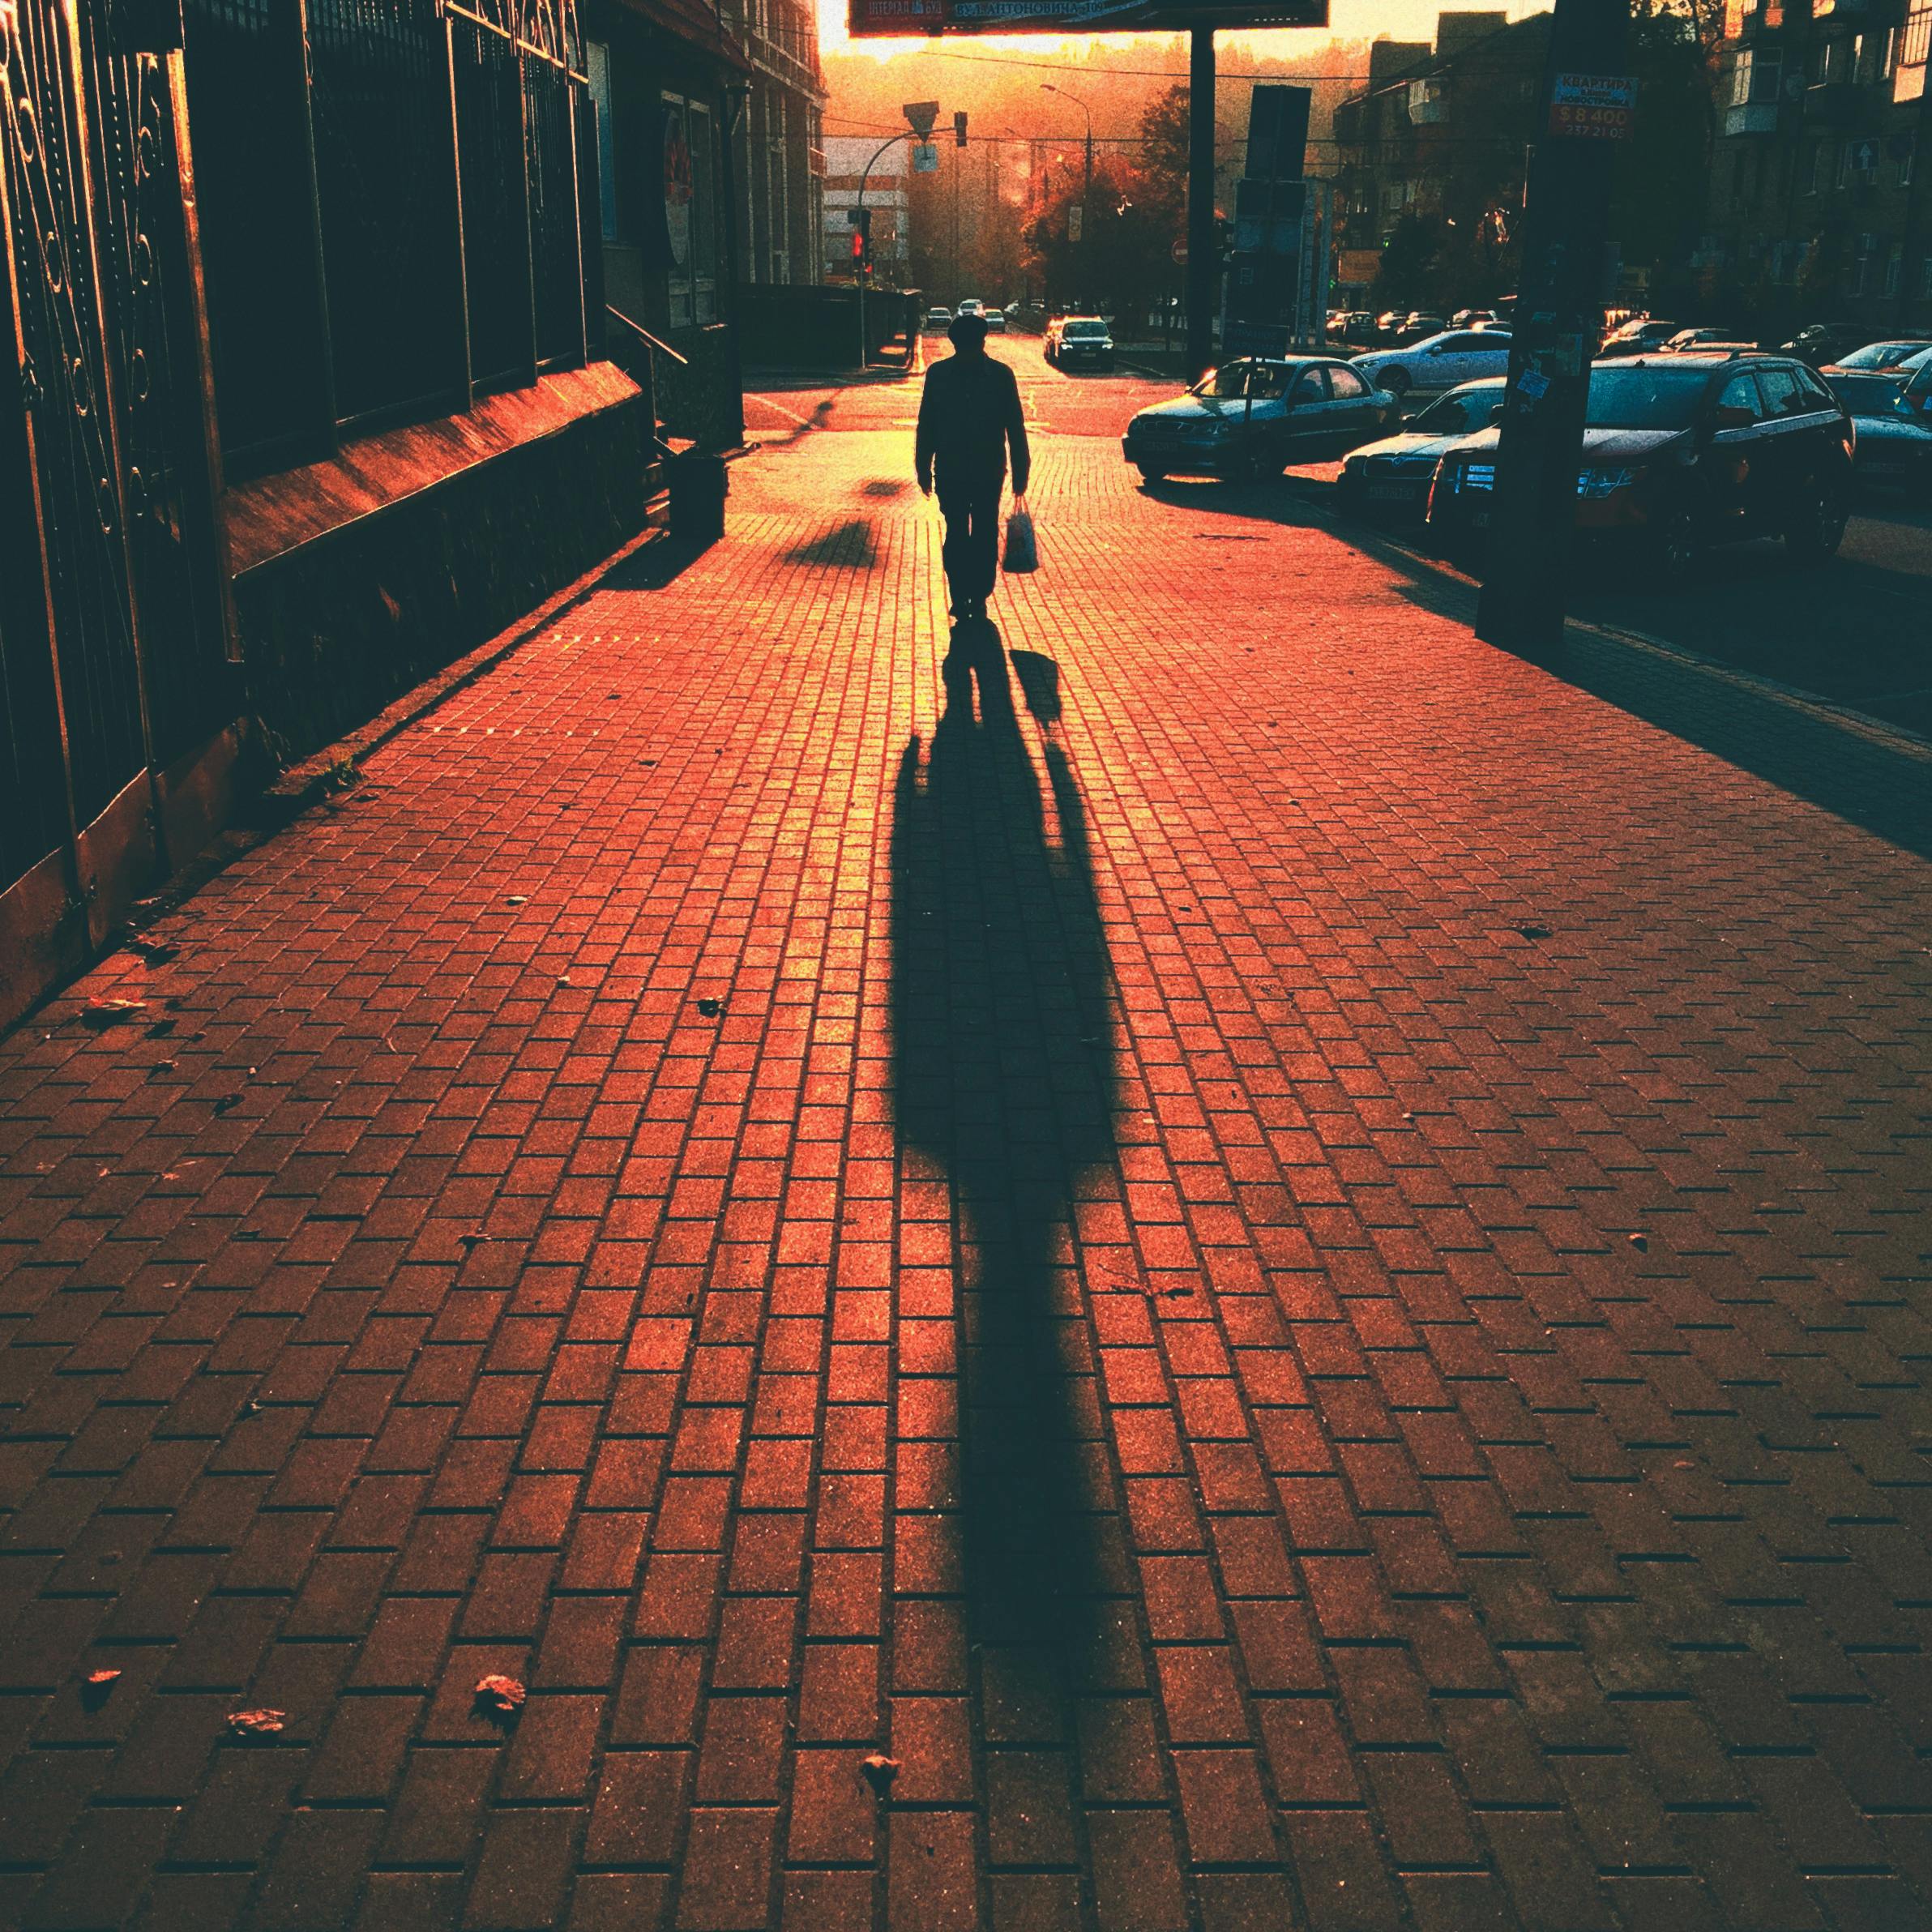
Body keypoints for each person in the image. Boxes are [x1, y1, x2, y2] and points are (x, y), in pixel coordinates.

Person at [915, 313, 1030, 621]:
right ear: (983, 340)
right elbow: (1015, 428)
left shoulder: (938, 374)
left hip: (951, 468)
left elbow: (927, 425)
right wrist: (1021, 470)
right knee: (983, 532)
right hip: (987, 469)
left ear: (954, 342)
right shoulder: (1000, 375)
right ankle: (978, 595)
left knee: (956, 533)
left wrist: (923, 467)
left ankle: (961, 593)